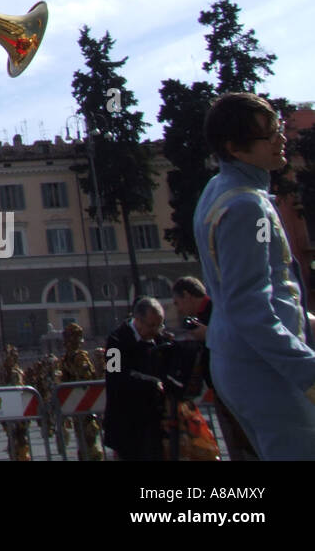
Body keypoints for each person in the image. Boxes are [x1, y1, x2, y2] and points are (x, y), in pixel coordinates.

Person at [193, 92, 315, 461]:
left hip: (240, 361)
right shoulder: (247, 206)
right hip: (265, 368)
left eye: (278, 128)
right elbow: (250, 306)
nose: (281, 139)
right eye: (269, 135)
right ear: (235, 147)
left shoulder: (220, 189)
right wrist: (307, 369)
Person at [170, 274, 256, 460]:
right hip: (222, 389)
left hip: (234, 388)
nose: (178, 309)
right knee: (237, 442)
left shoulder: (218, 311)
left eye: (177, 302)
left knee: (243, 442)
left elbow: (237, 340)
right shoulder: (207, 314)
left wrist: (208, 335)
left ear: (187, 295)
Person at [102, 297, 172, 460]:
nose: (156, 330)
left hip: (154, 421)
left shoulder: (160, 339)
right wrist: (152, 384)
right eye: (151, 325)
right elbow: (115, 377)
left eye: (159, 325)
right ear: (138, 321)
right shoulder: (115, 341)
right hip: (127, 423)